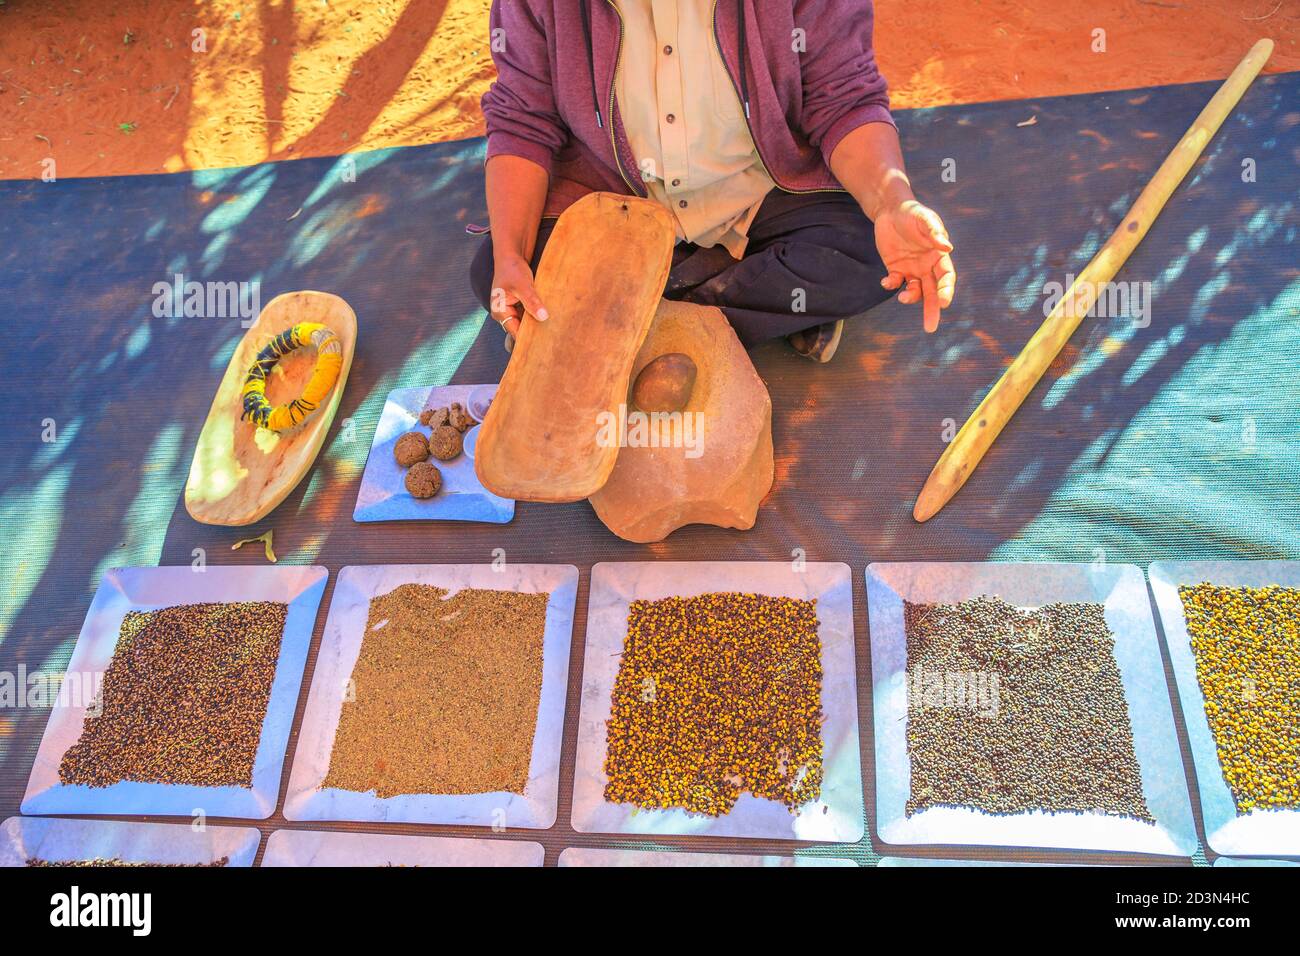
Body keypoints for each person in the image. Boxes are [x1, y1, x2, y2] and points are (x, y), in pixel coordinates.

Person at [470, 0, 955, 363]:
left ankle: (618, 327)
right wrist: (511, 255)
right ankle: (761, 310)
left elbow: (844, 99)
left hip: (761, 193)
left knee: (867, 252)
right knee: (501, 263)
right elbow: (522, 122)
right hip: (619, 200)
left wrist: (892, 201)